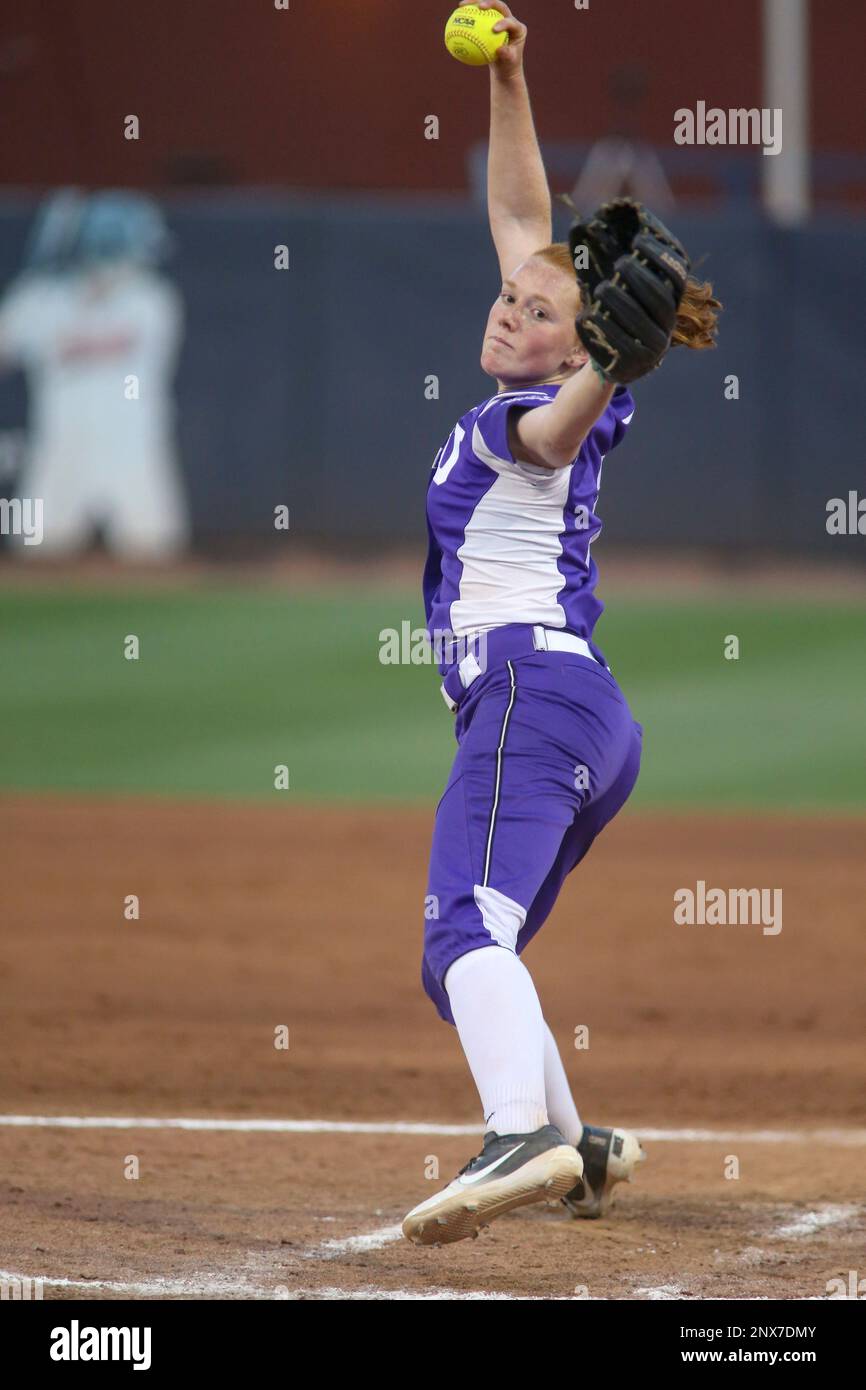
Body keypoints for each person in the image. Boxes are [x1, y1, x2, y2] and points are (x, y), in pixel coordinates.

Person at [403, 2, 719, 1247]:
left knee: (455, 939)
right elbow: (523, 222)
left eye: (537, 314)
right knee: (492, 943)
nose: (508, 312)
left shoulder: (525, 418)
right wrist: (513, 78)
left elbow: (553, 422)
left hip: (532, 702)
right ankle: (575, 1143)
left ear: (574, 346)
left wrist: (599, 360)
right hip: (578, 712)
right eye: (510, 301)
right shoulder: (548, 360)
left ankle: (517, 1132)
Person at [0, 190, 188, 560]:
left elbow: (114, 340)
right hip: (57, 445)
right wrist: (27, 298)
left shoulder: (153, 299)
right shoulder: (37, 299)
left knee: (153, 550)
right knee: (34, 550)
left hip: (133, 447)